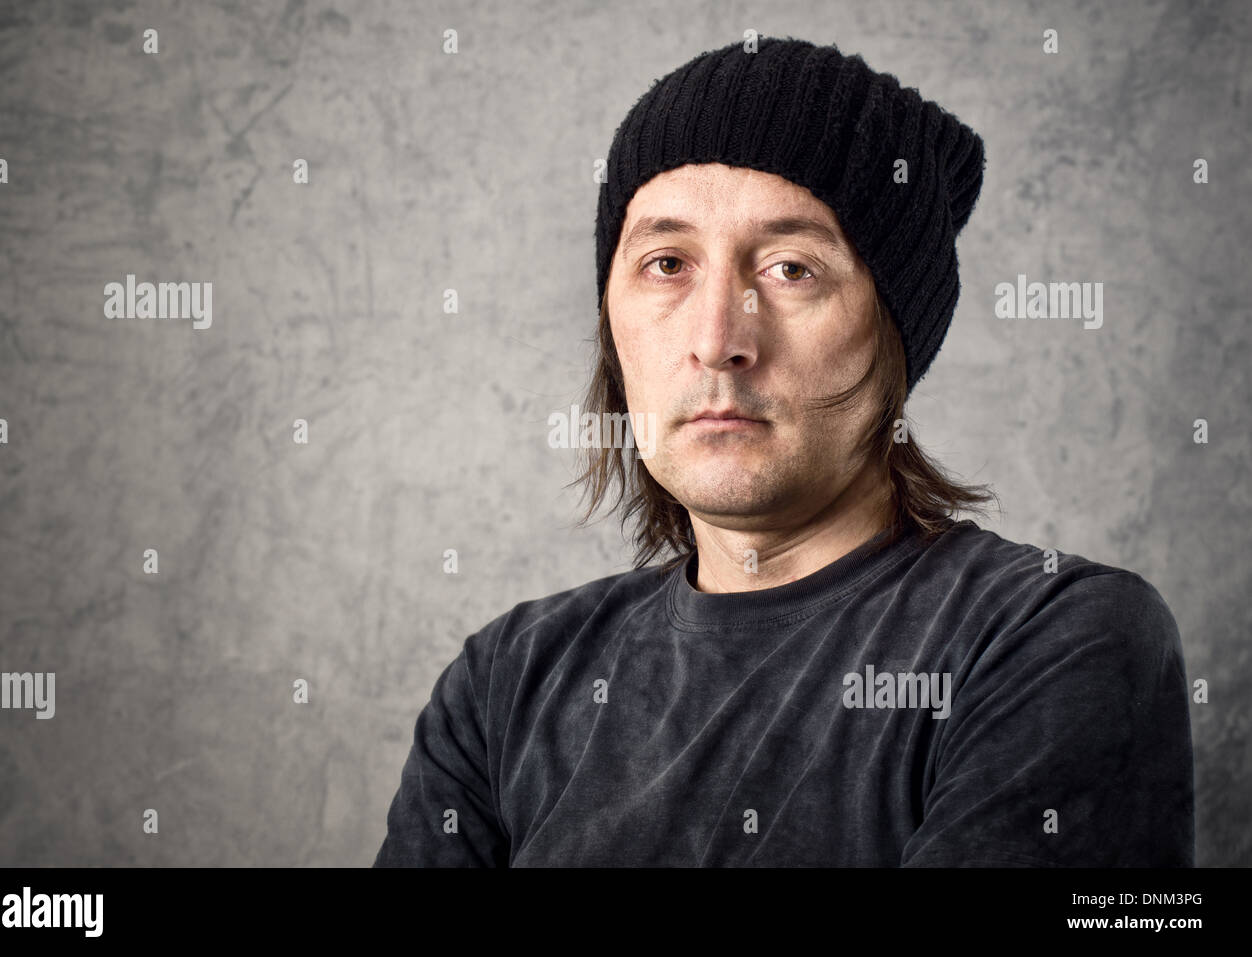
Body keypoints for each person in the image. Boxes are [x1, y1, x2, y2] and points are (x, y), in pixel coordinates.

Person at [373, 36, 1194, 867]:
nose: (718, 338)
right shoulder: (504, 683)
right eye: (666, 263)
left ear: (895, 336)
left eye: (792, 268)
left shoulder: (1054, 638)